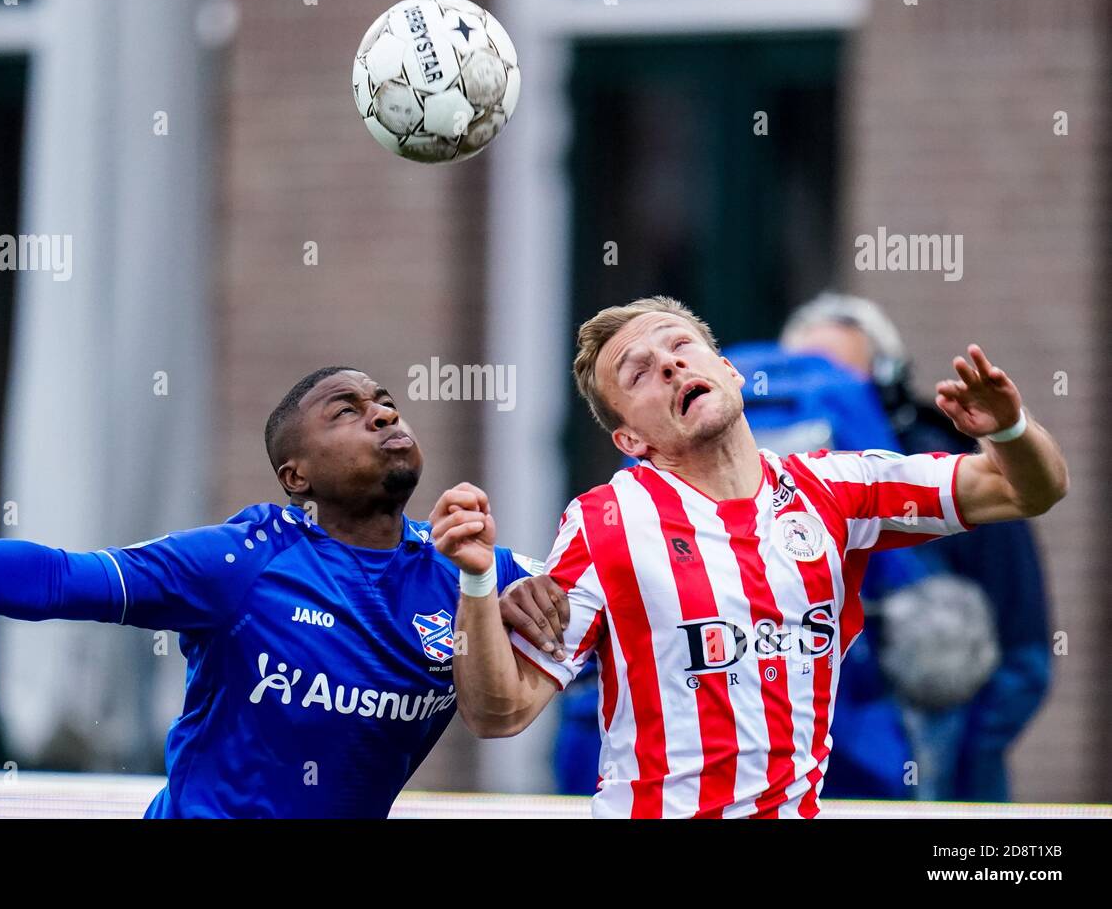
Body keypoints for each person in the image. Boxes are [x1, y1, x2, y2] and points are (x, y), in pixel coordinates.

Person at [433, 295, 1067, 818]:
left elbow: (1028, 489)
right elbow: (499, 711)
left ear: (730, 370)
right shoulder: (607, 522)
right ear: (630, 438)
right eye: (638, 370)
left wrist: (1008, 430)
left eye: (681, 347)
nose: (670, 366)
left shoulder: (837, 489)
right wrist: (479, 582)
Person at [0, 366, 553, 818]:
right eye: (346, 410)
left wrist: (507, 592)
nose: (384, 414)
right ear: (295, 475)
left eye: (387, 403)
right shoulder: (243, 561)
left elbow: (611, 610)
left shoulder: (467, 571)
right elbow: (60, 577)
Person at [781, 293, 1050, 801]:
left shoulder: (942, 459)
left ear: (886, 380)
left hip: (939, 755)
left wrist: (952, 755)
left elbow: (1024, 650)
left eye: (840, 381)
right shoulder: (755, 485)